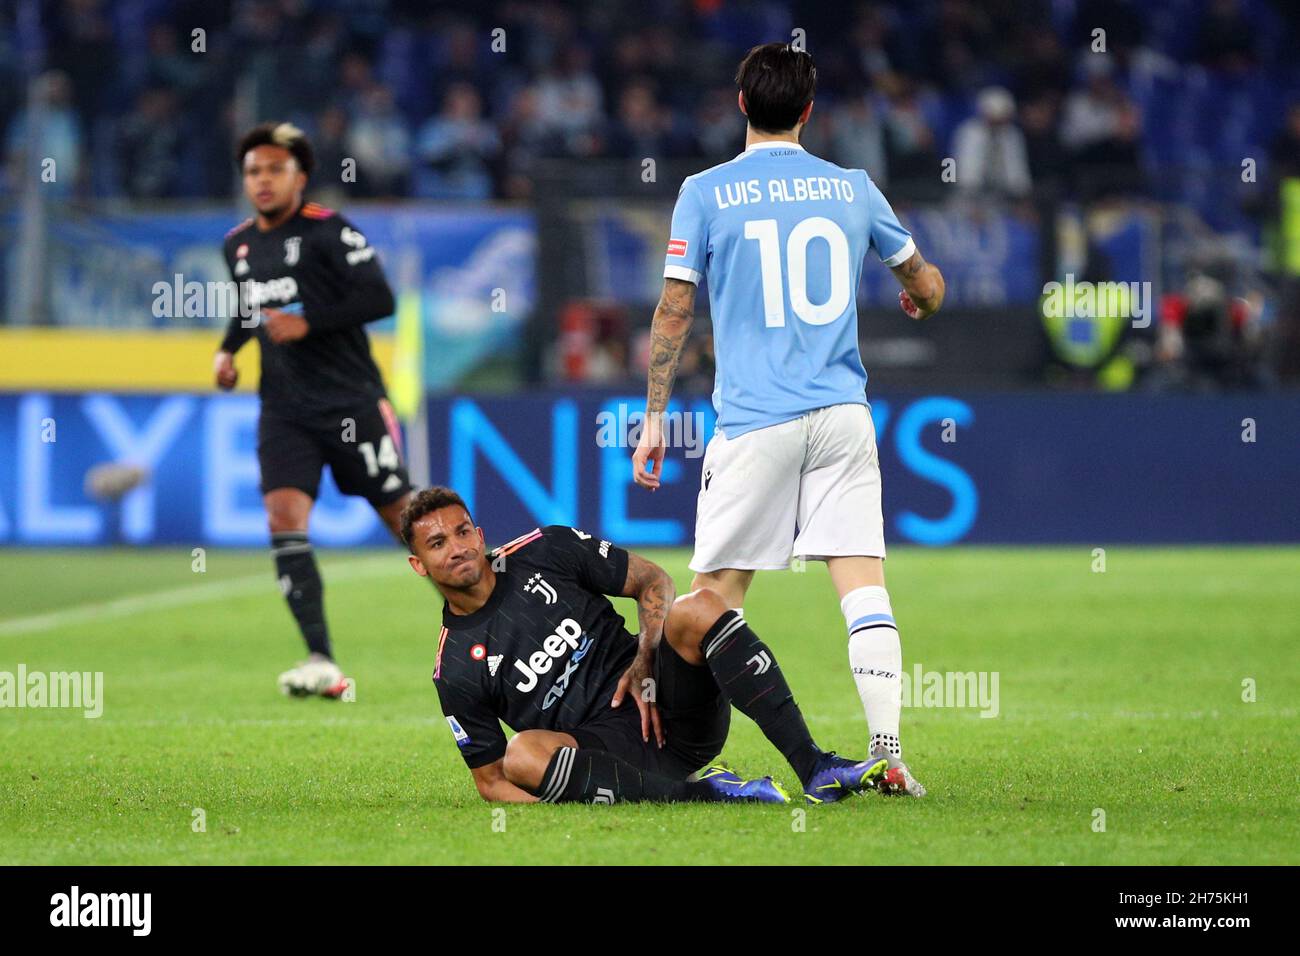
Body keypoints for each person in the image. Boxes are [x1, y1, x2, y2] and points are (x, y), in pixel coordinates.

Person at [632, 43, 946, 796]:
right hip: (841, 415)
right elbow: (926, 284)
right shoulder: (853, 188)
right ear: (809, 112)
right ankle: (889, 752)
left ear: (741, 103)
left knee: (711, 600)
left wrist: (652, 418)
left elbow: (676, 306)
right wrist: (921, 298)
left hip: (753, 423)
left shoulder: (704, 191)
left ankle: (676, 753)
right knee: (863, 585)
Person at [402, 486, 889, 805]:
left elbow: (653, 581)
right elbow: (491, 784)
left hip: (672, 707)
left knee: (699, 606)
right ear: (419, 566)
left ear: (479, 532)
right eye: (438, 543)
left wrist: (646, 660)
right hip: (607, 759)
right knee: (522, 756)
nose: (458, 547)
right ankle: (705, 793)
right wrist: (568, 793)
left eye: (463, 531)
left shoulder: (545, 550)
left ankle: (814, 767)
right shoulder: (454, 672)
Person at [213, 121, 412, 697]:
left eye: (275, 169)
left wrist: (309, 322)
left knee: (408, 521)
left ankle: (499, 619)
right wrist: (229, 352)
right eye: (254, 171)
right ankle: (320, 658)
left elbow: (380, 298)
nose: (263, 180)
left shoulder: (330, 231)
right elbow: (251, 310)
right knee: (283, 519)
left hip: (352, 401)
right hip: (285, 411)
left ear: (299, 175)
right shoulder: (239, 245)